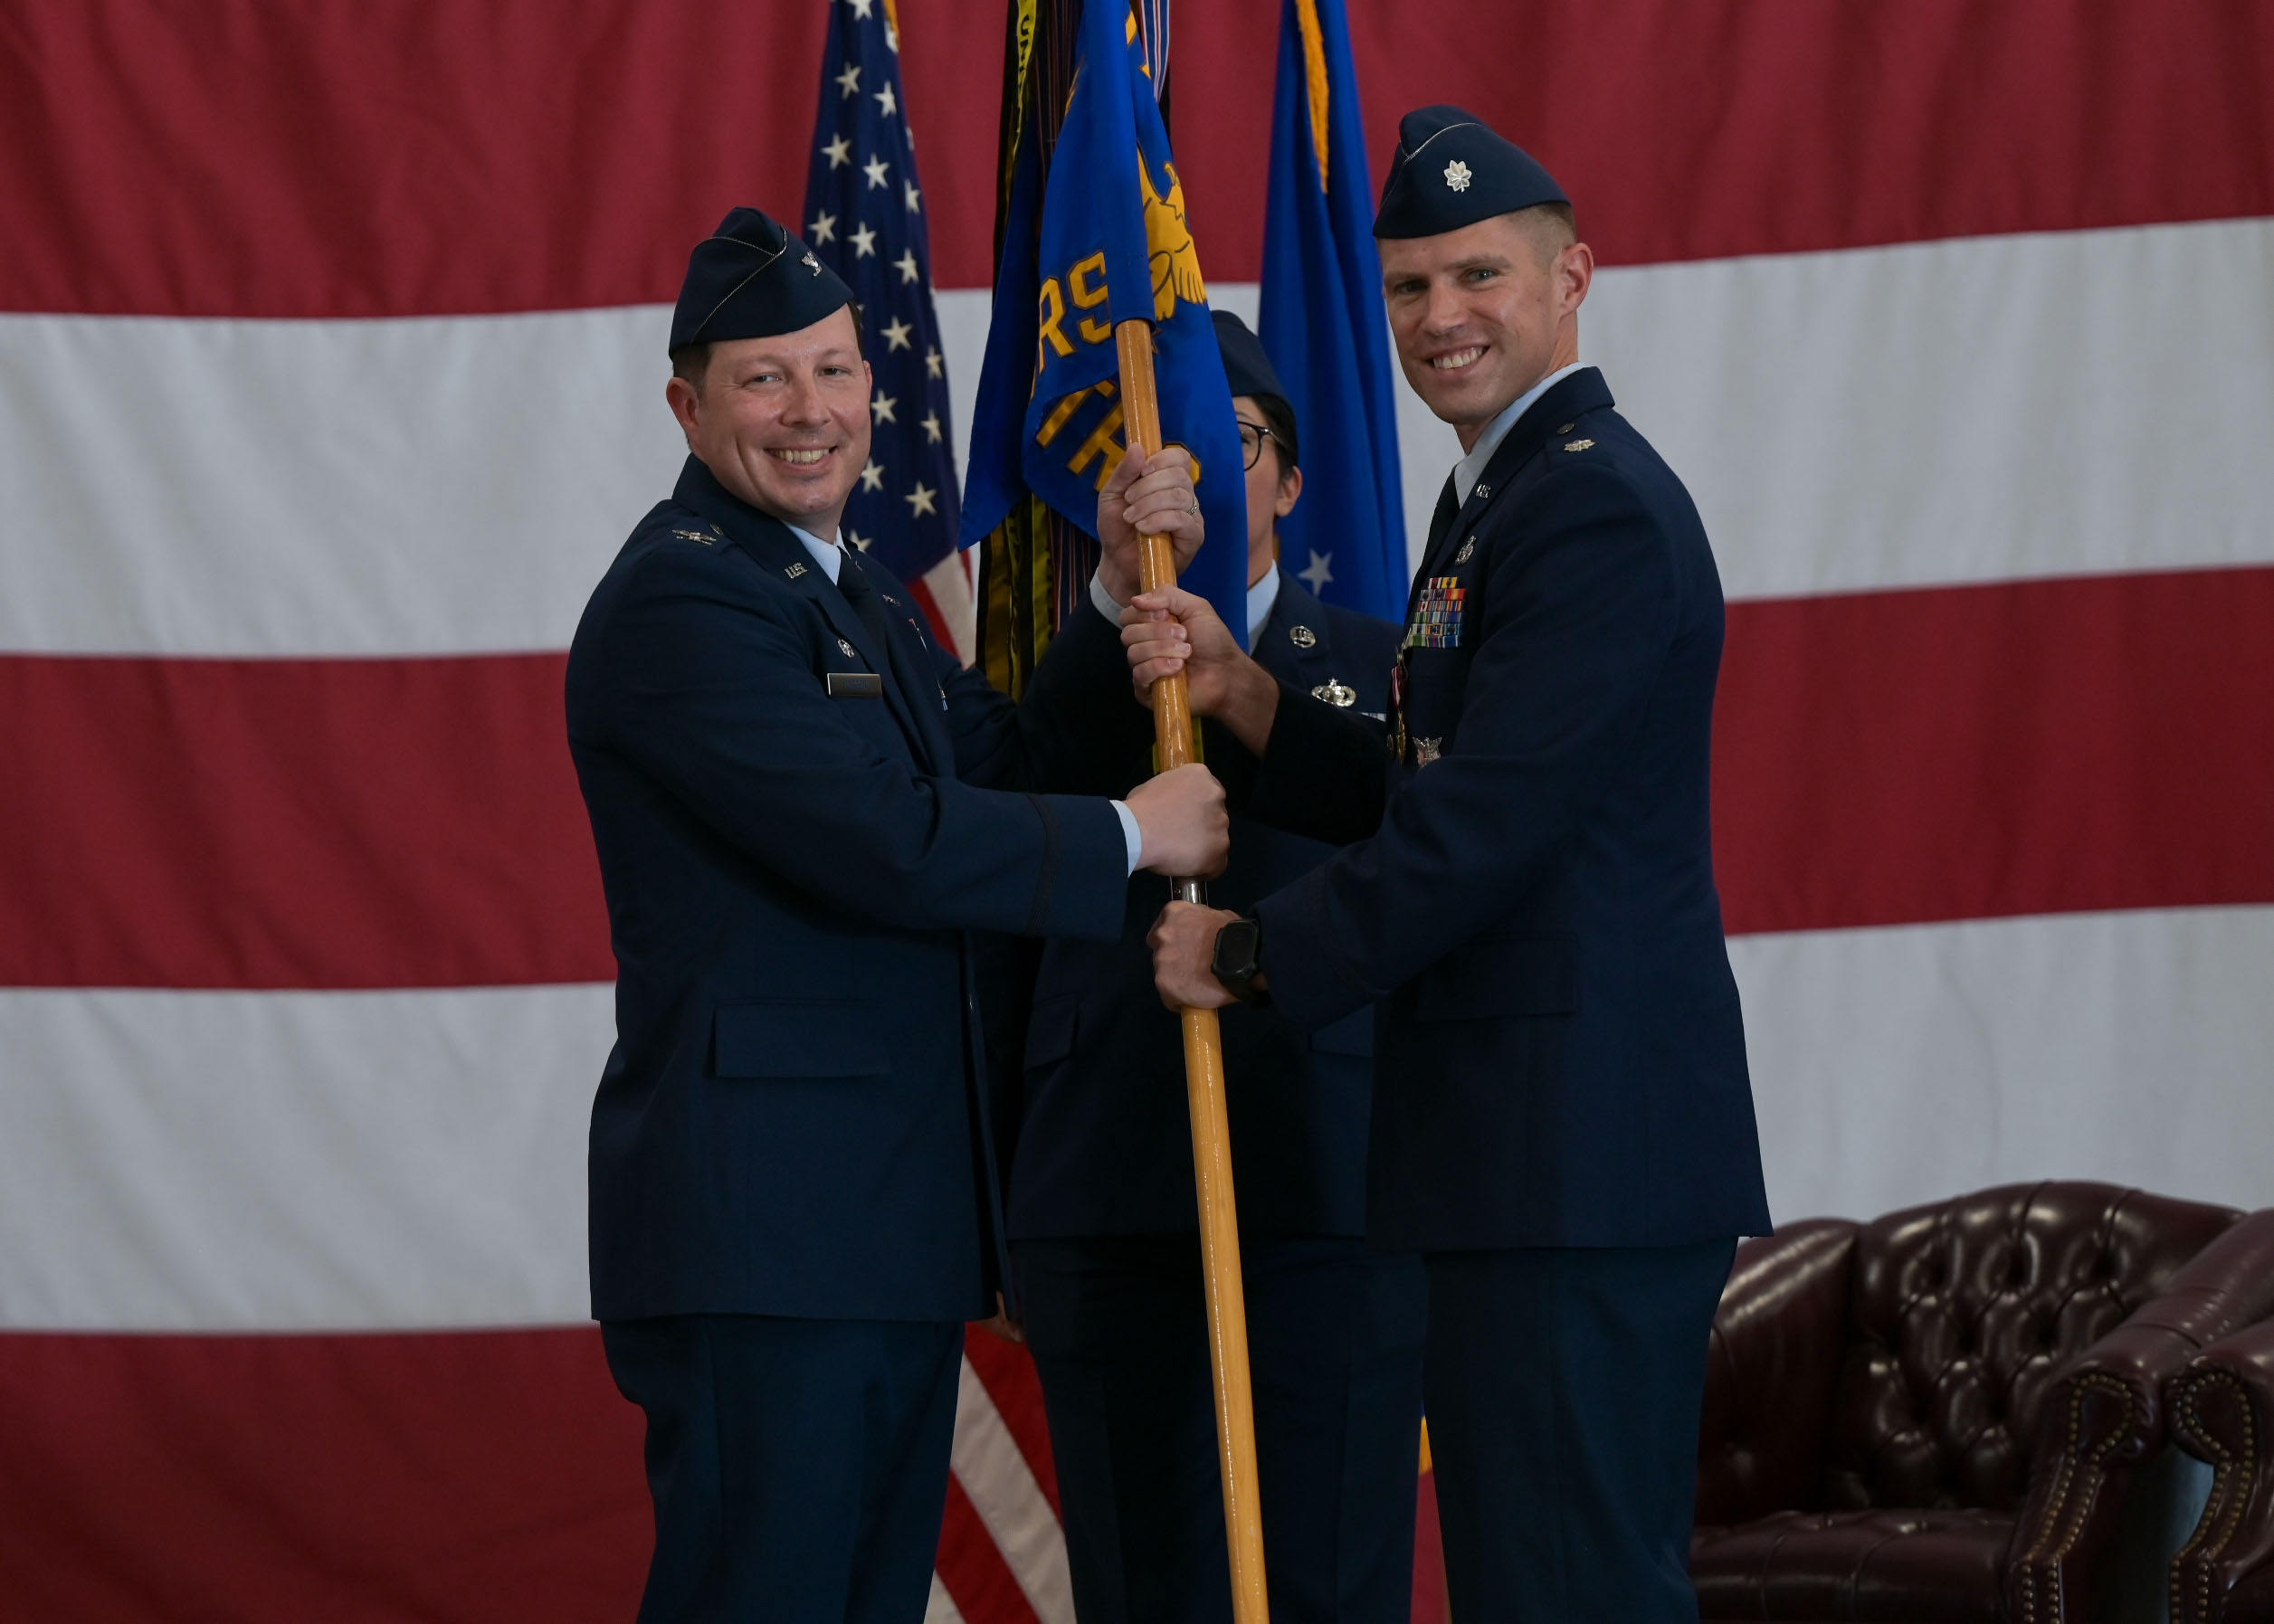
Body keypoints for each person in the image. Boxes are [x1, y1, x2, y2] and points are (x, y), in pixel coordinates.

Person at [1127, 110, 1773, 1620]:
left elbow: (1486, 826)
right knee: (1529, 1579)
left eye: (1477, 275)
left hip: (1576, 1153)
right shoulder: (1499, 491)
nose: (1440, 318)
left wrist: (1251, 954)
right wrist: (1247, 698)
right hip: (1520, 1151)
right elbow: (1442, 770)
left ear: (1573, 279)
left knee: (1568, 1587)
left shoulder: (1589, 506)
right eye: (1409, 288)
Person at [563, 207, 1229, 1624]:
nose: (811, 412)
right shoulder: (684, 604)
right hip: (767, 1237)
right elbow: (882, 840)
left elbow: (1000, 765)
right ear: (688, 406)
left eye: (834, 370)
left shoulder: (847, 592)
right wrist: (1131, 836)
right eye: (765, 378)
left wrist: (1113, 584)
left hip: (870, 1229)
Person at [1004, 311, 1423, 1624]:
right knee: (1145, 1583)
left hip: (1331, 1186)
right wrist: (1112, 615)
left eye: (1232, 445)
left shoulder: (1385, 669)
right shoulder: (1063, 673)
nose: (1190, 478)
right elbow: (1000, 846)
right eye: (1165, 450)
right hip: (1113, 1187)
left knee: (1327, 1577)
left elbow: (1426, 876)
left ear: (1290, 483)